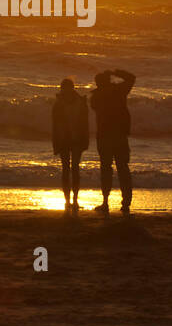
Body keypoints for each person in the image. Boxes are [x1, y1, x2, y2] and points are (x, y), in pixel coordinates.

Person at [89, 68, 135, 215]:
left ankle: (105, 202)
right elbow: (131, 77)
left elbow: (95, 106)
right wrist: (116, 72)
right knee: (123, 169)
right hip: (119, 136)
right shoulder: (119, 91)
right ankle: (126, 203)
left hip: (104, 137)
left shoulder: (96, 96)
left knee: (106, 169)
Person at [51, 78, 90, 213]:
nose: (65, 91)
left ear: (72, 88)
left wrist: (85, 140)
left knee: (74, 169)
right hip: (64, 140)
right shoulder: (59, 104)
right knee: (67, 169)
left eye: (67, 88)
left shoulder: (80, 102)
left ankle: (75, 200)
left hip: (77, 139)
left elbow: (85, 124)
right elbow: (55, 126)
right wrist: (56, 143)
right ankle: (68, 201)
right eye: (64, 88)